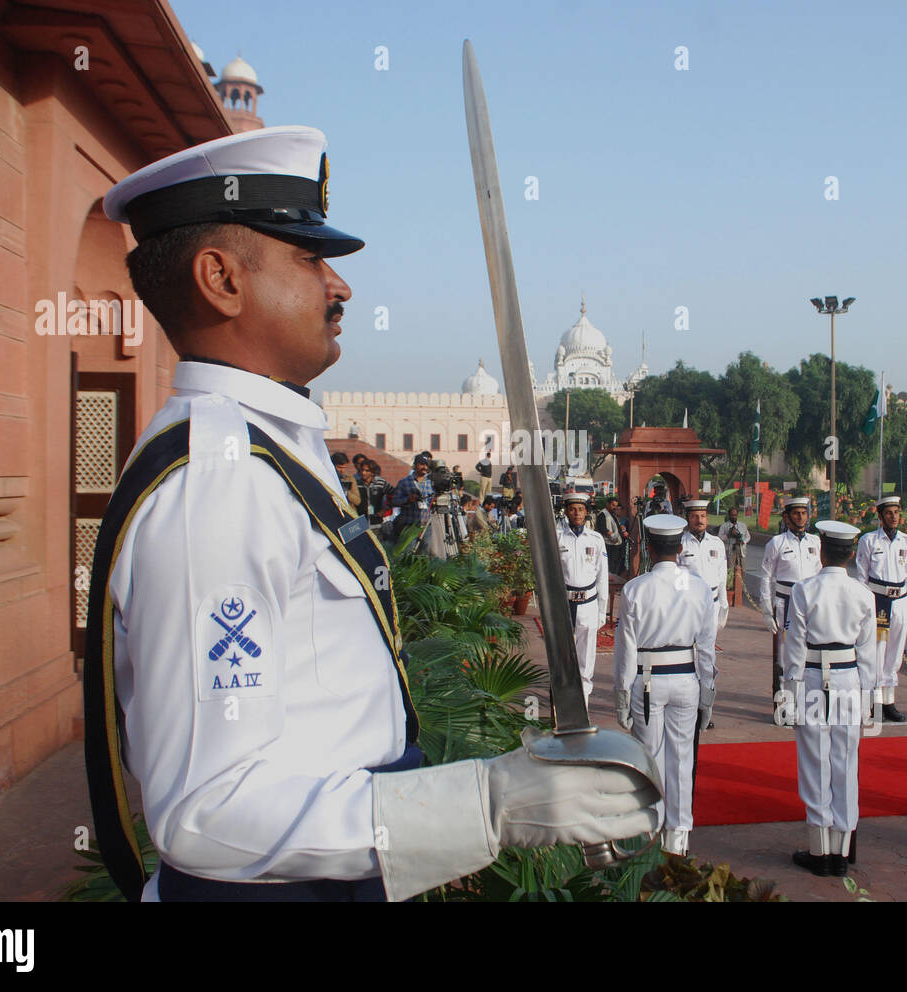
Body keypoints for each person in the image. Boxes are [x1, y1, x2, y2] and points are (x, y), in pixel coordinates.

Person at [86, 125, 658, 903]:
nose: (340, 286)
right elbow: (208, 813)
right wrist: (488, 805)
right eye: (308, 258)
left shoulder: (265, 449)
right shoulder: (220, 482)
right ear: (221, 279)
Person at [614, 514, 718, 857]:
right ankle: (678, 841)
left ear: (649, 547)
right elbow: (706, 647)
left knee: (651, 760)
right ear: (681, 547)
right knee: (681, 761)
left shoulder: (635, 589)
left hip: (647, 680)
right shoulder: (701, 588)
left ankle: (652, 836)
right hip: (687, 679)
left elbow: (626, 650)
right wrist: (707, 696)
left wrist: (621, 696)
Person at [779, 520, 877, 877]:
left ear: (821, 551)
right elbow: (869, 655)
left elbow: (794, 648)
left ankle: (819, 849)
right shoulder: (864, 594)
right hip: (850, 678)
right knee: (845, 761)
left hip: (813, 677)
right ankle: (841, 850)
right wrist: (870, 700)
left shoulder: (805, 590)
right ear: (852, 554)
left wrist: (788, 692)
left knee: (815, 762)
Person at [854, 495, 907, 723]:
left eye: (897, 512)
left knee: (895, 654)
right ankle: (873, 701)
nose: (894, 517)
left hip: (899, 601)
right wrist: (864, 608)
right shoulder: (869, 541)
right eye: (889, 513)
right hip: (878, 602)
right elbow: (861, 577)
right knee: (877, 653)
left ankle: (889, 701)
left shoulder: (906, 542)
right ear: (880, 516)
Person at [759, 496, 821, 699]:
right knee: (785, 654)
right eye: (796, 513)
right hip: (786, 603)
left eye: (804, 513)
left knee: (808, 651)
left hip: (810, 604)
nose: (801, 517)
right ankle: (785, 701)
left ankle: (803, 698)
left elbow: (821, 575)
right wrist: (767, 611)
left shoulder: (815, 542)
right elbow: (766, 577)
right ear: (787, 517)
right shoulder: (777, 543)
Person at [559, 493, 609, 700]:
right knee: (562, 655)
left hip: (588, 603)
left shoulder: (596, 540)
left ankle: (584, 701)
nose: (577, 513)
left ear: (587, 511)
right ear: (566, 512)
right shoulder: (558, 537)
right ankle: (562, 699)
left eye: (581, 509)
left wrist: (601, 612)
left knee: (586, 657)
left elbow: (602, 576)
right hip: (563, 604)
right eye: (572, 509)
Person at [679, 499, 729, 630]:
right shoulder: (680, 543)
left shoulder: (716, 543)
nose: (699, 520)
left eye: (702, 516)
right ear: (687, 519)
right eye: (694, 516)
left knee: (709, 647)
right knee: (690, 646)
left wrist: (724, 605)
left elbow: (722, 575)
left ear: (707, 518)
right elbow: (677, 576)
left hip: (712, 602)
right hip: (689, 604)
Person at [391, 453, 433, 540]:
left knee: (426, 552)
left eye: (426, 465)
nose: (425, 467)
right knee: (409, 551)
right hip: (409, 524)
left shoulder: (431, 483)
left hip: (426, 525)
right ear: (415, 465)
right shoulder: (404, 482)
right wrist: (407, 500)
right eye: (422, 464)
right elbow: (394, 501)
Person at [717, 503, 751, 578]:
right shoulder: (724, 526)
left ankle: (741, 586)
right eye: (732, 515)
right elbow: (719, 538)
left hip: (741, 550)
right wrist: (728, 535)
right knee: (730, 569)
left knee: (742, 569)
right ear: (729, 515)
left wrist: (743, 541)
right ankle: (730, 585)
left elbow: (748, 536)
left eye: (735, 515)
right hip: (730, 551)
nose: (733, 517)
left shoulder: (742, 525)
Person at [595, 495, 626, 576]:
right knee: (610, 566)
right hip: (609, 544)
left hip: (616, 544)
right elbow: (603, 528)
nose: (614, 507)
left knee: (616, 565)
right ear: (607, 504)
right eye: (613, 505)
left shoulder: (612, 514)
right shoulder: (603, 514)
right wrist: (611, 535)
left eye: (616, 506)